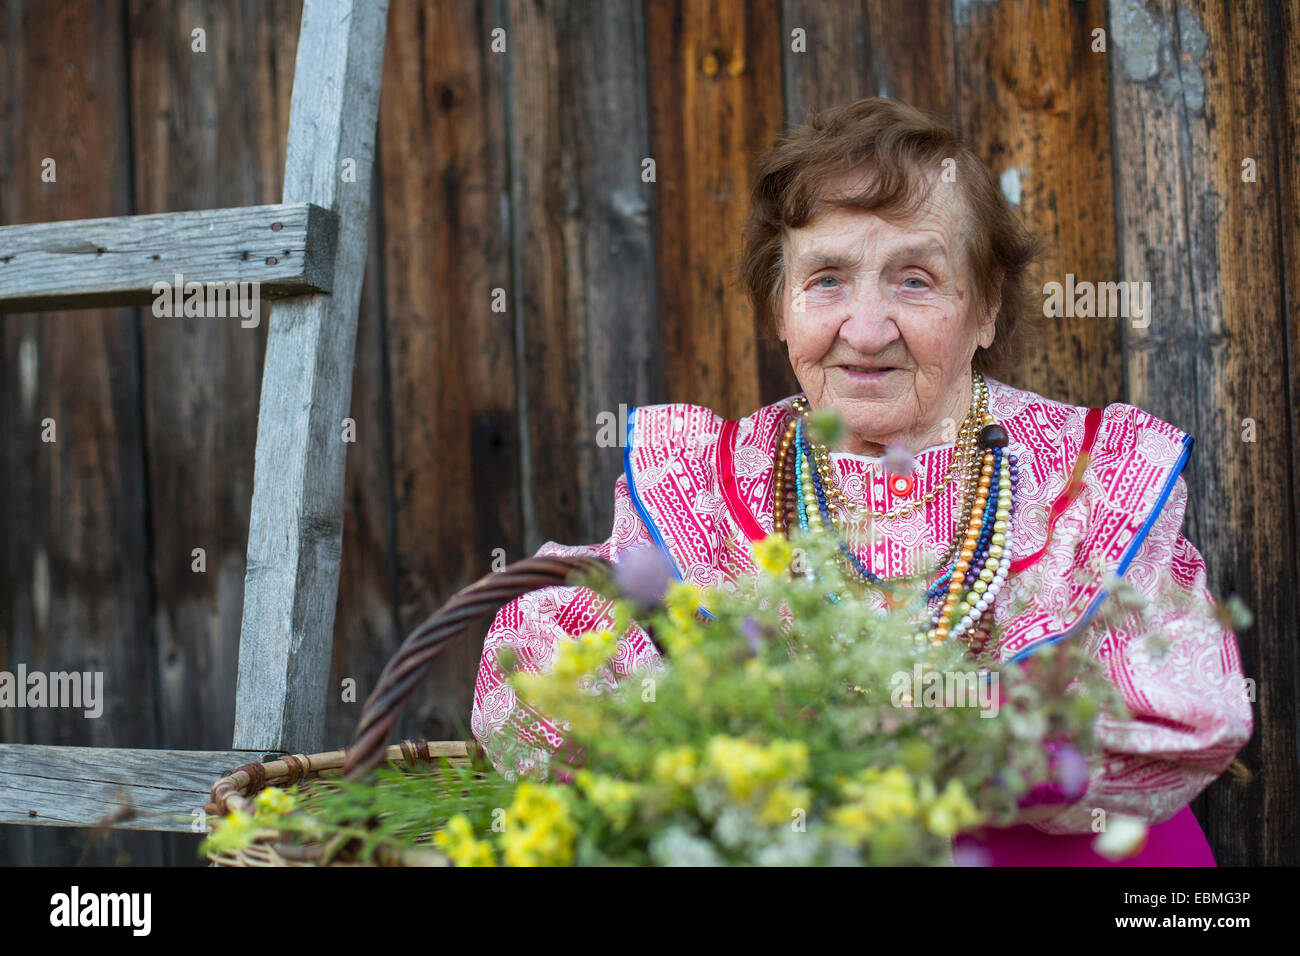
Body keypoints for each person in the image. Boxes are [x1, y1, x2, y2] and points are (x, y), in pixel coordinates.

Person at [470, 97, 1252, 865]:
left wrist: (935, 740)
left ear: (984, 307)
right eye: (827, 280)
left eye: (915, 279)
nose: (867, 330)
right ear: (780, 305)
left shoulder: (1088, 483)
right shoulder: (705, 483)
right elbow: (549, 654)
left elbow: (1184, 710)